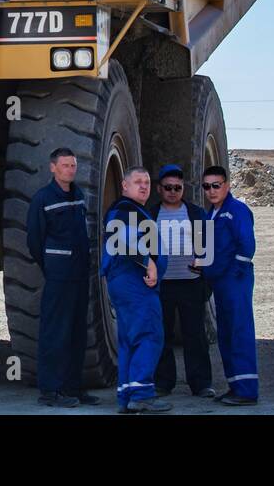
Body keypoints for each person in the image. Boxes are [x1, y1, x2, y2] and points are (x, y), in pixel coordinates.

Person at [26, 147, 101, 408]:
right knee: (55, 333)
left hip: (79, 274)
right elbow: (35, 240)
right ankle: (51, 390)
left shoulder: (78, 195)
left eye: (73, 165)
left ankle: (72, 387)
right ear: (53, 168)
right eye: (65, 165)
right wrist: (52, 264)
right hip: (59, 276)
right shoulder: (43, 198)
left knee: (76, 333)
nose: (70, 170)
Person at [101, 167, 171, 413]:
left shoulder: (132, 210)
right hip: (133, 281)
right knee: (148, 334)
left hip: (126, 281)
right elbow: (121, 240)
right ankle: (142, 394)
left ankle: (127, 395)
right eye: (137, 181)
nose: (143, 186)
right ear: (124, 185)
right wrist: (147, 262)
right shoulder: (125, 209)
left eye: (147, 182)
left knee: (130, 339)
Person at [147, 164, 215, 398]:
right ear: (159, 189)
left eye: (177, 187)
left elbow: (208, 245)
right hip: (162, 285)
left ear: (183, 188)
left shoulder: (196, 214)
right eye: (168, 188)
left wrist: (203, 267)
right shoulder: (150, 215)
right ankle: (163, 383)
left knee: (195, 335)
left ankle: (201, 384)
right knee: (161, 335)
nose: (173, 192)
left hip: (191, 284)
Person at [193, 164, 259, 406]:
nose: (211, 191)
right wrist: (202, 266)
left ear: (227, 185)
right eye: (206, 186)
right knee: (227, 334)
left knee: (239, 332)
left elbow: (246, 244)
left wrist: (236, 271)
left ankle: (247, 391)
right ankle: (235, 386)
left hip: (235, 281)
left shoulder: (236, 210)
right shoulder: (212, 213)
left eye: (216, 185)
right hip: (220, 282)